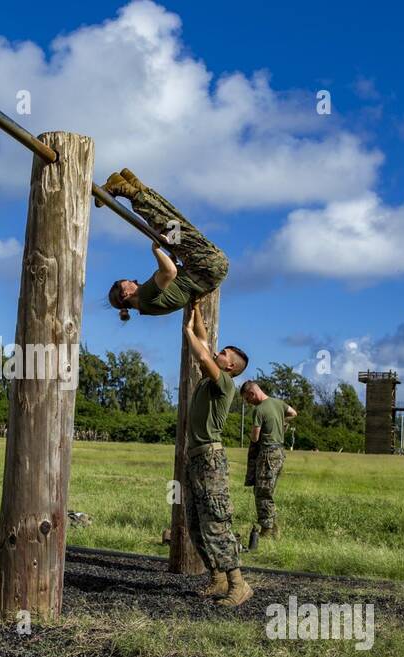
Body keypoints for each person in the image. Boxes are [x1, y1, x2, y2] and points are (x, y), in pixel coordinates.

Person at [181, 302, 252, 606]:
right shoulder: (212, 378)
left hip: (210, 460)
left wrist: (187, 333)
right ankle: (218, 578)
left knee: (216, 523)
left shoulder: (225, 384)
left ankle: (238, 584)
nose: (217, 354)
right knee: (196, 523)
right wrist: (195, 310)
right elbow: (205, 343)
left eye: (223, 355)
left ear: (230, 367)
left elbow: (200, 350)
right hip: (196, 457)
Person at [99, 169, 229, 321]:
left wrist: (170, 259)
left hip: (208, 269)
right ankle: (124, 188)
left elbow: (175, 282)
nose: (134, 281)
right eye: (129, 282)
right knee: (167, 225)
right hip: (202, 266)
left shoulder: (147, 305)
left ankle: (137, 188)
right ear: (125, 294)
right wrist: (156, 250)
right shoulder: (145, 297)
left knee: (174, 222)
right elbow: (170, 272)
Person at [242, 380, 298, 539]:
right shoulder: (279, 403)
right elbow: (293, 413)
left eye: (247, 399)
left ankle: (267, 530)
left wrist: (252, 435)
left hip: (267, 454)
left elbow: (255, 437)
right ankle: (273, 527)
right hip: (280, 453)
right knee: (268, 490)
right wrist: (282, 422)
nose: (248, 402)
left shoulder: (259, 410)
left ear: (252, 393)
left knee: (262, 492)